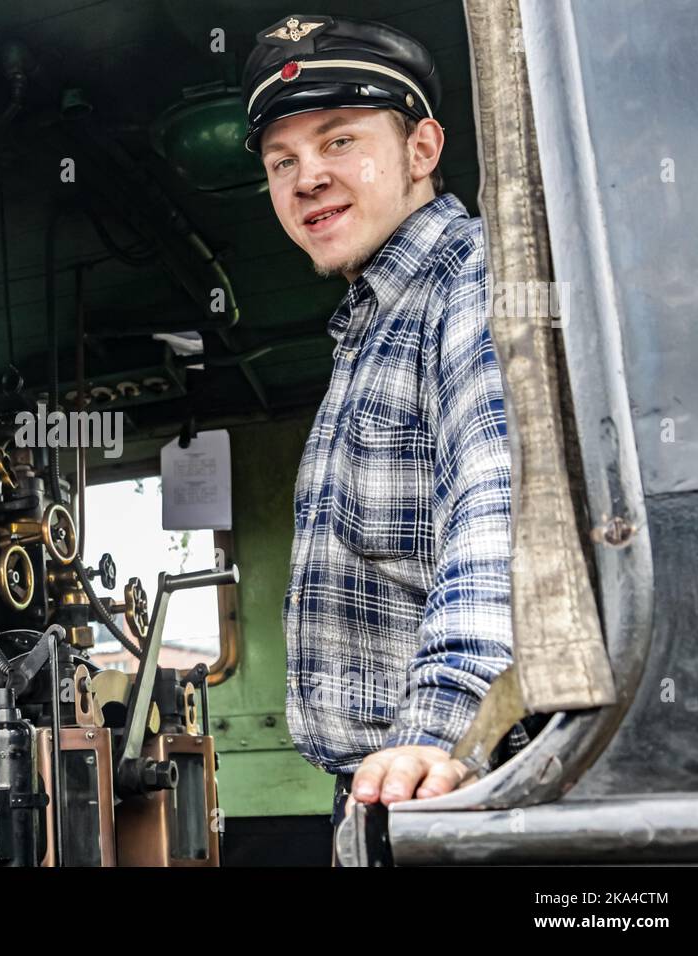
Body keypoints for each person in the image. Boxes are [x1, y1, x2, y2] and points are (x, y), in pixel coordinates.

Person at [241, 13, 530, 839]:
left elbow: (498, 500)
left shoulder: (474, 273)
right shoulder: (368, 331)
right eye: (282, 162)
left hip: (453, 781)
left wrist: (440, 731)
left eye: (340, 142)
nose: (306, 180)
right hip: (385, 787)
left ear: (422, 150)